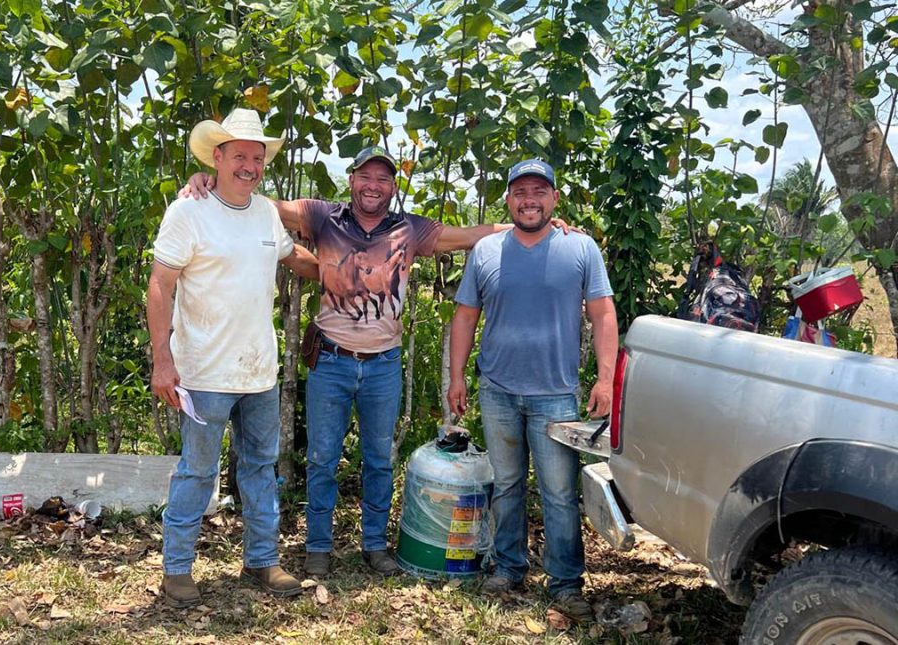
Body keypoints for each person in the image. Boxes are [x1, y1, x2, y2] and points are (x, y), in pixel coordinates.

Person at [184, 146, 573, 577]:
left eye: (383, 178)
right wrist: (208, 182)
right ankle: (318, 546)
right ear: (352, 180)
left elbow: (468, 235)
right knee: (322, 460)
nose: (373, 185)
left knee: (379, 460)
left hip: (383, 365)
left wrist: (534, 225)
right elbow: (261, 203)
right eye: (365, 177)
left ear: (392, 186)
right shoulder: (322, 217)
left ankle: (374, 544)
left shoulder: (410, 229)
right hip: (330, 361)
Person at [147, 108, 319, 606]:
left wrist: (343, 274)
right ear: (217, 158)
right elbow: (160, 285)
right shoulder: (188, 211)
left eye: (257, 158)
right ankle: (177, 570)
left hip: (259, 372)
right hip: (203, 373)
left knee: (261, 468)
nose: (250, 166)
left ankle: (262, 560)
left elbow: (292, 256)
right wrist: (163, 361)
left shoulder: (264, 211)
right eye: (240, 155)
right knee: (197, 471)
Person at [447, 159, 618, 622]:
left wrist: (605, 379)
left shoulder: (580, 248)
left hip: (555, 395)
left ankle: (565, 582)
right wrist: (457, 376)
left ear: (554, 199)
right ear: (508, 200)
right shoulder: (486, 252)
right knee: (506, 485)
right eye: (520, 192)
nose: (529, 200)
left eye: (539, 191)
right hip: (497, 390)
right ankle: (508, 567)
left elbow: (603, 313)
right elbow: (465, 316)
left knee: (559, 492)